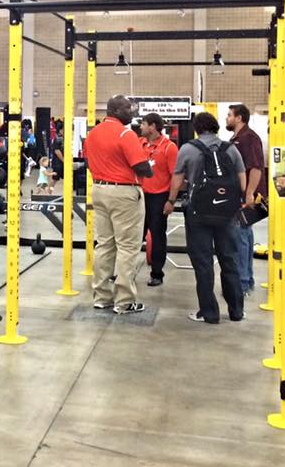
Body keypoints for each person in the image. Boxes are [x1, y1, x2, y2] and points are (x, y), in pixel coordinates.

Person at [165, 111, 246, 324]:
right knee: (229, 259)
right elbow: (242, 179)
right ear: (216, 127)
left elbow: (177, 179)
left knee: (203, 262)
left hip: (198, 212)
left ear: (197, 128)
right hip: (227, 213)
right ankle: (237, 311)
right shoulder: (231, 149)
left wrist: (171, 201)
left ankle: (209, 313)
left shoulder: (188, 149)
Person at [83, 95, 153, 315]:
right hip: (124, 193)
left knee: (104, 244)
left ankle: (101, 297)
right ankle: (124, 301)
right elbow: (142, 167)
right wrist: (148, 167)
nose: (131, 112)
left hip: (99, 190)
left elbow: (88, 163)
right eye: (127, 108)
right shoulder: (126, 134)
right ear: (115, 110)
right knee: (127, 247)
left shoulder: (92, 134)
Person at [225, 104, 267, 296]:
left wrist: (249, 194)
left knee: (240, 238)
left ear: (239, 118)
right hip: (239, 195)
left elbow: (256, 168)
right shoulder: (236, 139)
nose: (227, 118)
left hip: (245, 197)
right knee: (245, 236)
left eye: (229, 115)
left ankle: (242, 284)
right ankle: (247, 280)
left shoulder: (249, 138)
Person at [138, 113, 178, 287]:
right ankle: (125, 272)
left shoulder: (169, 148)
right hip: (139, 196)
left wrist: (171, 201)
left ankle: (157, 274)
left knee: (157, 236)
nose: (141, 127)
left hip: (159, 198)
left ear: (153, 127)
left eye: (143, 124)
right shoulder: (139, 143)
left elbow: (176, 176)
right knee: (133, 235)